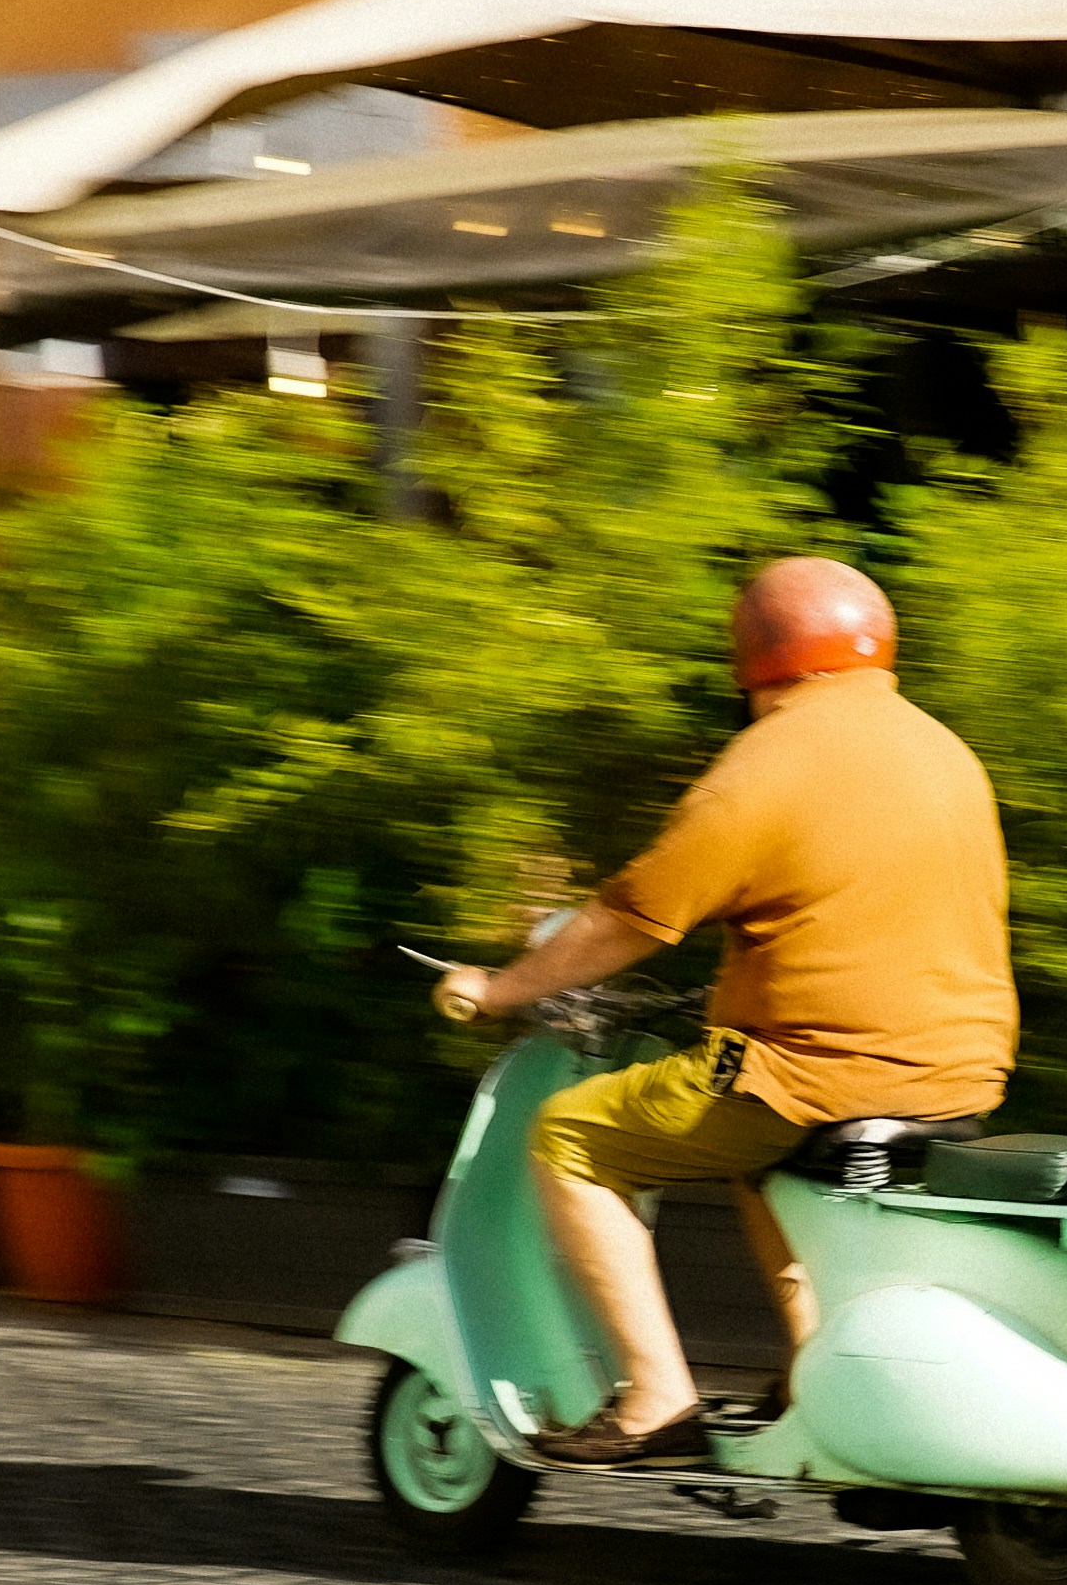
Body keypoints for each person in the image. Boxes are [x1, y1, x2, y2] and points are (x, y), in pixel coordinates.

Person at [431, 555, 1013, 1465]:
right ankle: (815, 1369)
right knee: (754, 1152)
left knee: (571, 1135)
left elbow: (633, 917)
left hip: (814, 1077)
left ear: (755, 660)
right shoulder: (946, 752)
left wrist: (499, 986)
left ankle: (656, 1398)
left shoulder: (765, 764)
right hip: (964, 1074)